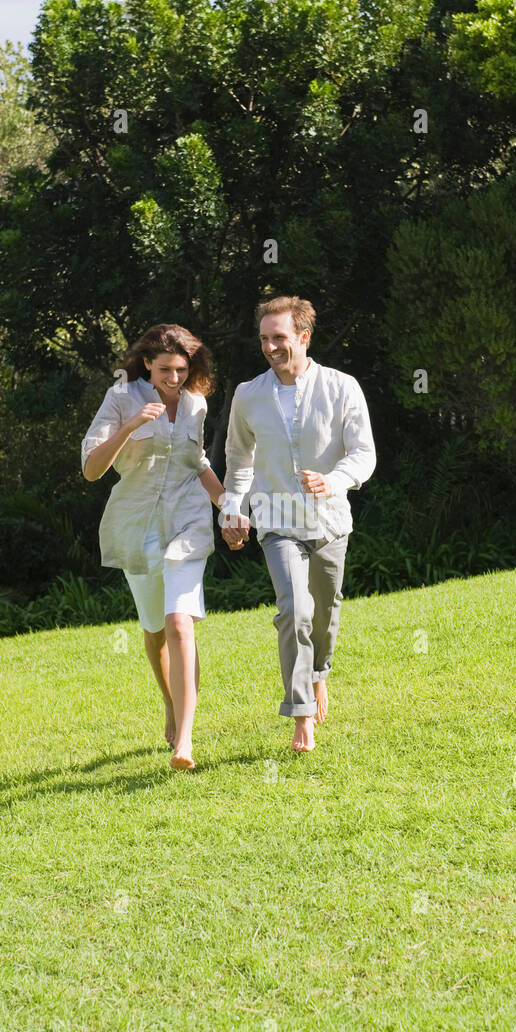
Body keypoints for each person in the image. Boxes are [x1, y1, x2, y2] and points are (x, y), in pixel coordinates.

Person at [219, 296, 376, 752]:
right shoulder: (249, 395)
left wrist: (334, 480)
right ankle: (301, 712)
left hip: (330, 520)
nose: (269, 347)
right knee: (294, 610)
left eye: (279, 338)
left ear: (303, 338)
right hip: (277, 521)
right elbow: (238, 459)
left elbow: (363, 453)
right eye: (264, 338)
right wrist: (233, 509)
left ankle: (319, 672)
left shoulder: (342, 387)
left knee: (325, 614)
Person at [81, 325, 226, 771]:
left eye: (183, 369)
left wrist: (229, 508)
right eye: (166, 369)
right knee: (155, 630)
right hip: (138, 525)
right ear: (147, 363)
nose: (175, 378)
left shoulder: (196, 404)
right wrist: (130, 425)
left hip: (187, 520)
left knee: (181, 623)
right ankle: (170, 701)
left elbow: (196, 461)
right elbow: (91, 469)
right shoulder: (121, 397)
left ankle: (185, 740)